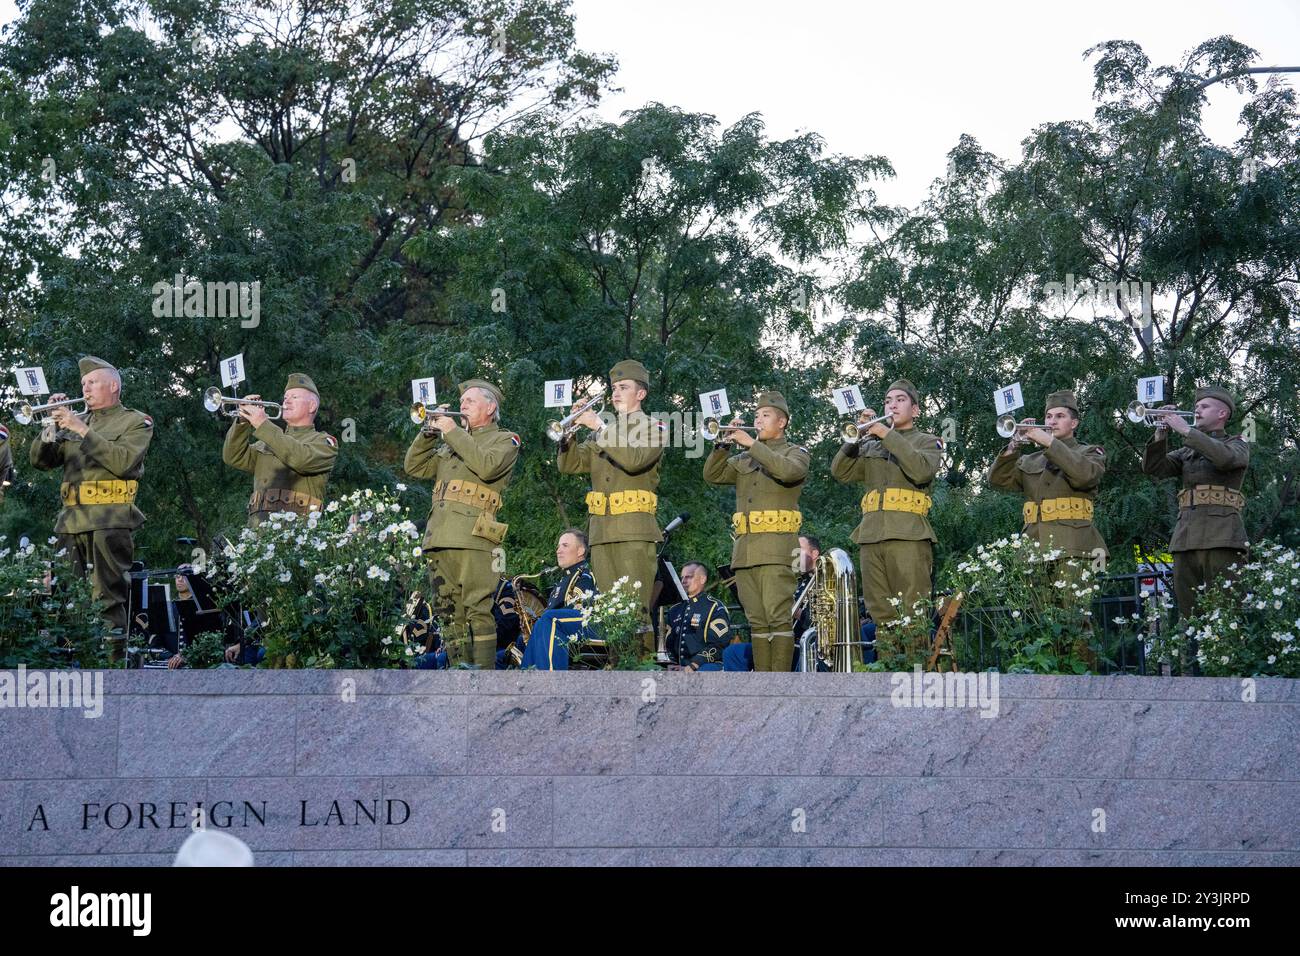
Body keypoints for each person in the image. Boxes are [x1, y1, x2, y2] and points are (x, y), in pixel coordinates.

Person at [29, 356, 153, 637]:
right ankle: (78, 668)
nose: (85, 389)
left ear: (112, 387)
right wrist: (51, 421)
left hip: (109, 521)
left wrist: (81, 429)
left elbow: (124, 462)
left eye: (92, 383)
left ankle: (111, 676)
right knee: (69, 602)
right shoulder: (76, 420)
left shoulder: (135, 421)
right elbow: (41, 461)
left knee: (107, 602)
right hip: (70, 522)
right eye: (83, 383)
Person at [404, 378, 519, 667]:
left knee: (477, 611)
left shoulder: (505, 439)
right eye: (461, 402)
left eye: (469, 401)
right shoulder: (451, 444)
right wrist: (428, 433)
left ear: (490, 407)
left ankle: (482, 680)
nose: (461, 405)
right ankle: (459, 676)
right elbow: (414, 466)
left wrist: (452, 430)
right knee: (447, 614)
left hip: (474, 538)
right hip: (438, 538)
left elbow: (488, 466)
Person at [988, 388, 1106, 667]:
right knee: (1039, 619)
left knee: (1075, 621)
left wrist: (1049, 443)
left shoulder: (1090, 452)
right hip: (1035, 547)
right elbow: (997, 480)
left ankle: (1081, 682)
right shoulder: (1030, 460)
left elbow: (1085, 475)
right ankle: (1047, 682)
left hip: (1075, 547)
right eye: (1048, 416)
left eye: (1060, 416)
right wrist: (1013, 446)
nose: (1052, 421)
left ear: (1073, 423)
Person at [830, 379, 942, 665]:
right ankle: (889, 675)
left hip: (908, 536)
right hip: (870, 536)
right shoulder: (869, 444)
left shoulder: (927, 441)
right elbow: (839, 472)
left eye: (900, 399)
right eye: (888, 400)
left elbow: (921, 471)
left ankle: (914, 679)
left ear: (915, 410)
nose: (892, 404)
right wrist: (856, 438)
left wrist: (886, 434)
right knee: (880, 613)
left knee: (912, 612)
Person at [558, 359, 665, 654]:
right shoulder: (604, 431)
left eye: (624, 387)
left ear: (641, 394)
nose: (616, 393)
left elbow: (635, 460)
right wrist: (569, 434)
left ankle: (641, 673)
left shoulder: (653, 426)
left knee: (635, 612)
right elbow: (571, 465)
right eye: (614, 388)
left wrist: (598, 425)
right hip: (602, 532)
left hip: (634, 531)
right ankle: (619, 676)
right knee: (610, 614)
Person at [703, 390, 809, 671]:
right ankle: (763, 683)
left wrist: (751, 444)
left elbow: (787, 472)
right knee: (757, 621)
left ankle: (780, 685)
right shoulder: (745, 459)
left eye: (765, 416)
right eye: (756, 416)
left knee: (778, 618)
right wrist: (722, 444)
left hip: (778, 551)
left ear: (782, 422)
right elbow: (712, 476)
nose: (758, 421)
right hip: (745, 552)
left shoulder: (795, 453)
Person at [1142, 386, 1249, 651]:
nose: (1197, 410)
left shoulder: (1237, 444)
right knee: (1189, 616)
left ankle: (1227, 669)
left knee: (1226, 611)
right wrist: (1161, 433)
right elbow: (1153, 468)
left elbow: (1225, 460)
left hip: (1223, 536)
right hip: (1186, 538)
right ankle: (1192, 672)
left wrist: (1185, 430)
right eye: (1197, 406)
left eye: (1205, 407)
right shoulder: (1187, 452)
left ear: (1222, 413)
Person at [222, 372, 338, 525]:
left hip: (297, 535)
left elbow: (301, 459)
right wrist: (242, 421)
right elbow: (232, 456)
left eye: (294, 397)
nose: (286, 402)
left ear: (312, 406)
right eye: (285, 398)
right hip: (258, 535)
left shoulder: (323, 442)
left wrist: (263, 424)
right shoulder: (267, 442)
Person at [519, 528, 598, 670]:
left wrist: (545, 619)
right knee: (526, 636)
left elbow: (579, 609)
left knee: (550, 619)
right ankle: (525, 683)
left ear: (580, 551)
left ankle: (552, 682)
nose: (558, 550)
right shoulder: (564, 579)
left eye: (565, 546)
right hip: (562, 625)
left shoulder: (583, 576)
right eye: (558, 546)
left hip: (590, 625)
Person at [664, 561, 731, 671]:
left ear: (702, 579)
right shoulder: (674, 610)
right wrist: (671, 664)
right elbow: (669, 645)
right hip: (679, 667)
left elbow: (720, 644)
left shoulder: (714, 607)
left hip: (706, 666)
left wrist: (694, 664)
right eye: (682, 577)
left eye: (688, 577)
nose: (683, 581)